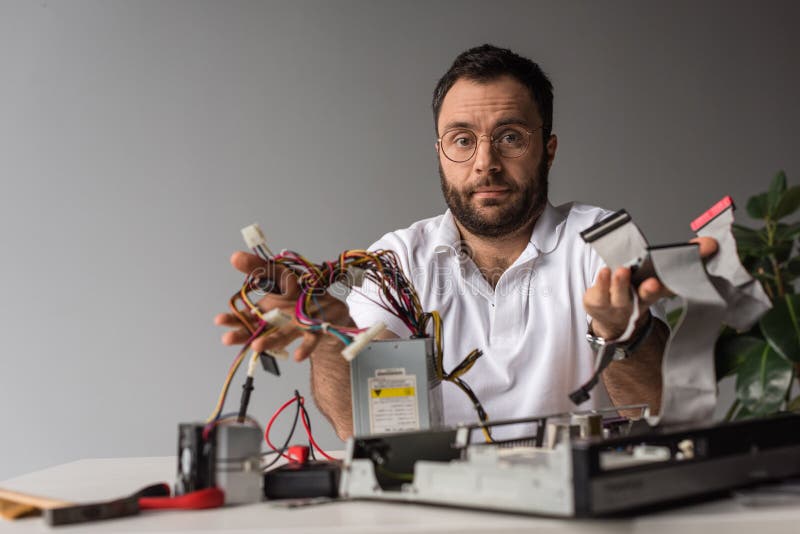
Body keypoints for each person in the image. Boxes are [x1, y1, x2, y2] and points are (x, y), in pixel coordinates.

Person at [214, 44, 715, 440]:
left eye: (511, 137)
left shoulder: (602, 240)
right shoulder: (396, 260)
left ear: (549, 149)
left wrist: (621, 335)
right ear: (439, 152)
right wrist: (330, 335)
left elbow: (660, 409)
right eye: (461, 139)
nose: (485, 163)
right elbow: (360, 427)